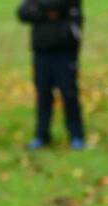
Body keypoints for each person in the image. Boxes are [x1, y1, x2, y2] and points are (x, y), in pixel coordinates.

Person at [17, 0, 85, 150]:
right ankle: (42, 135)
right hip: (41, 51)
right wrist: (47, 12)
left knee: (69, 94)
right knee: (43, 94)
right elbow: (23, 12)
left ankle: (76, 135)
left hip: (65, 50)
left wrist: (39, 7)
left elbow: (59, 4)